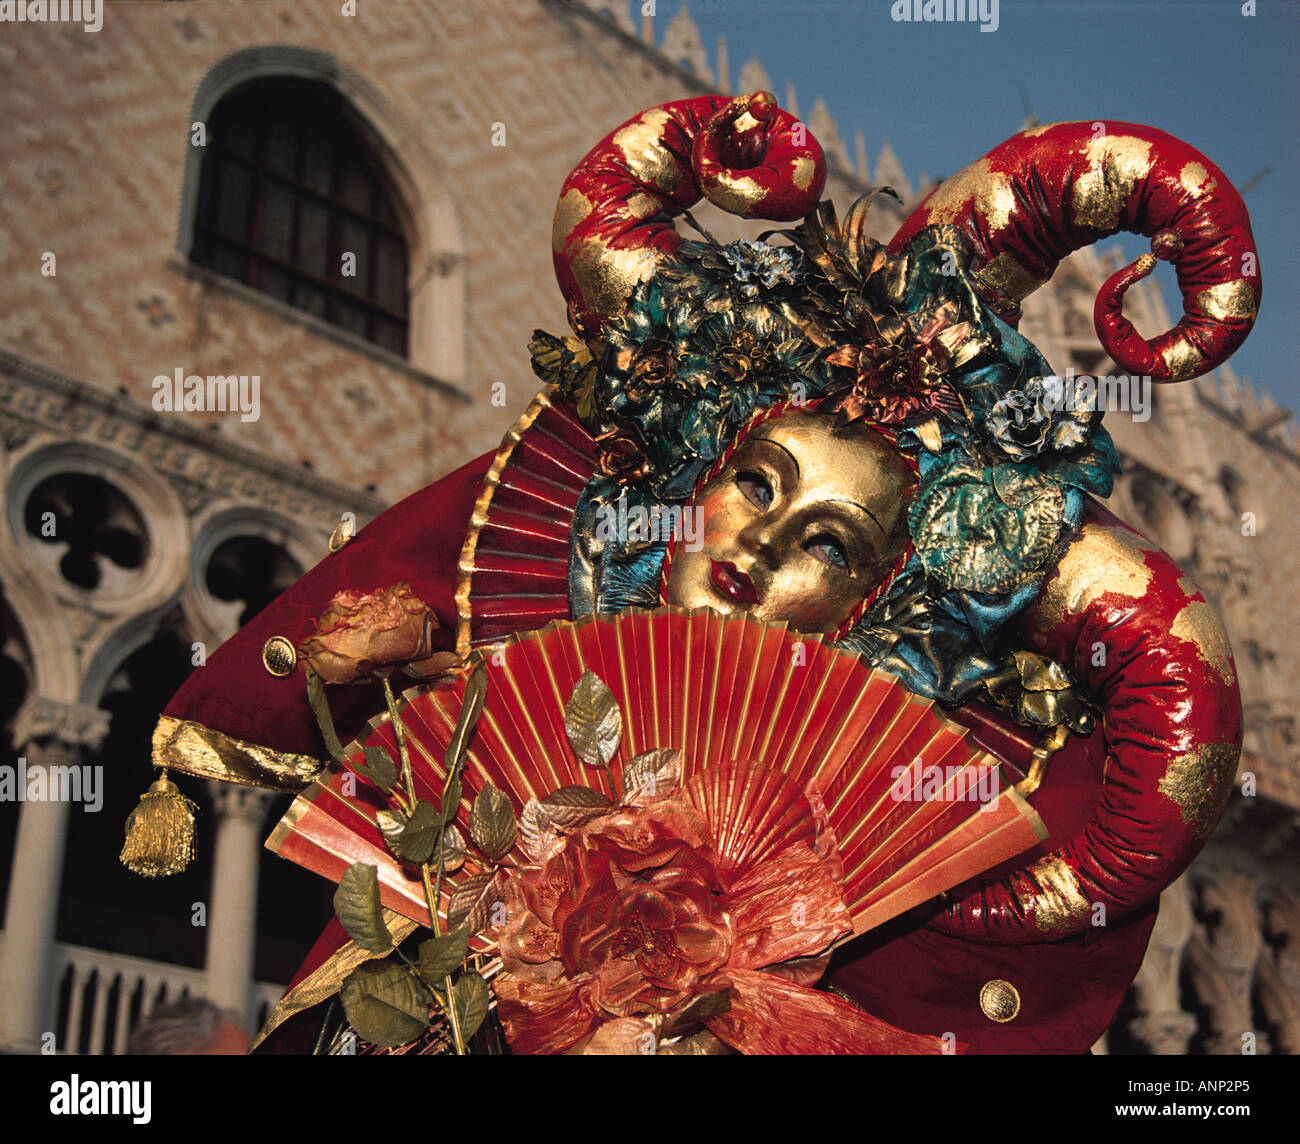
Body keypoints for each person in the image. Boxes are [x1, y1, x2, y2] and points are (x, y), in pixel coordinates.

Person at [135, 93, 1258, 1053]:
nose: (760, 548)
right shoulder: (493, 728)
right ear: (686, 472)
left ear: (885, 605)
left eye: (828, 545)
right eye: (758, 485)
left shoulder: (876, 946)